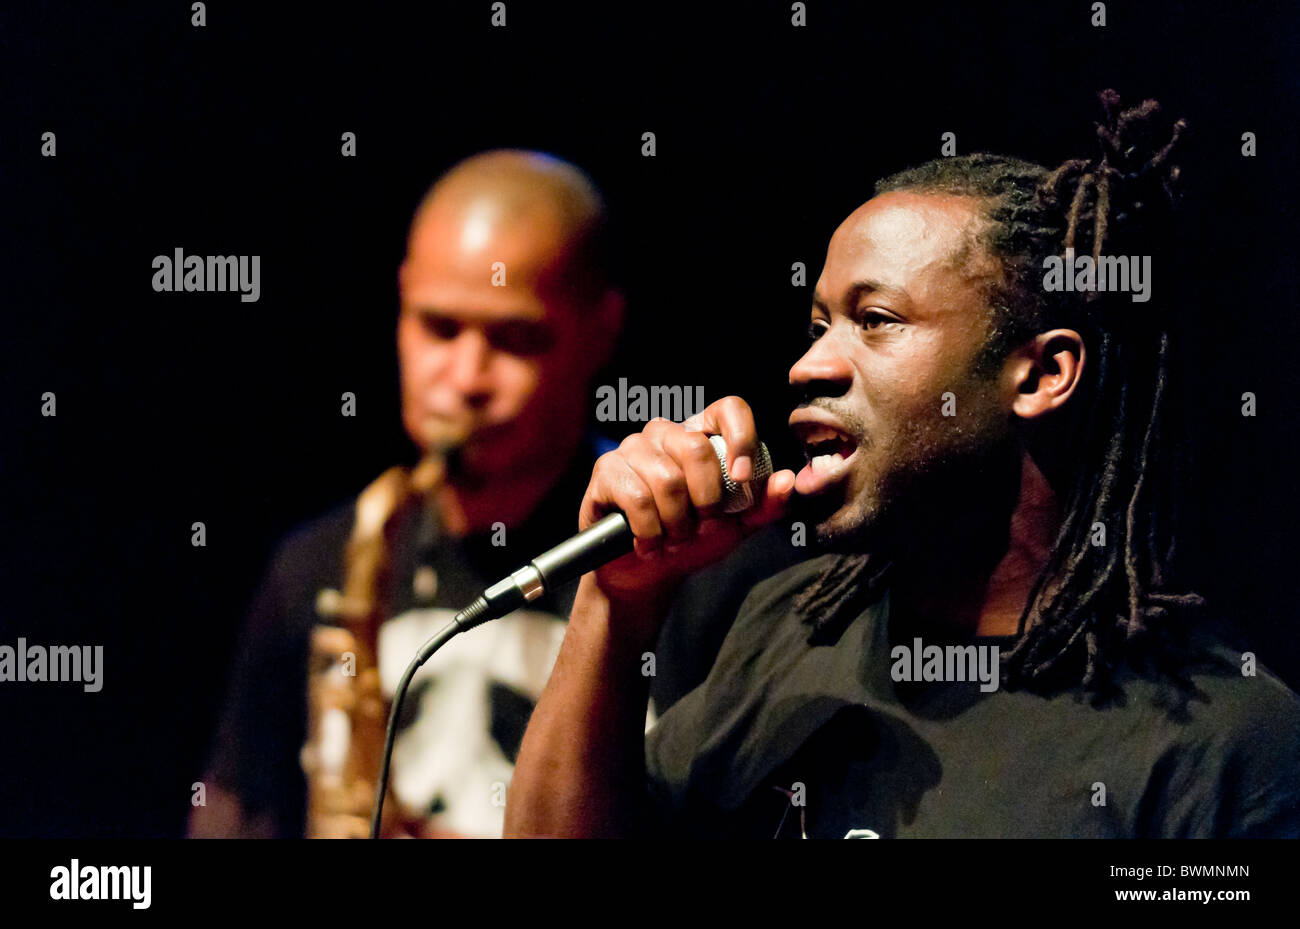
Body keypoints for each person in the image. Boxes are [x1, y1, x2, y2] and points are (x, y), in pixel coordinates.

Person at [505, 92, 1300, 838]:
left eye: (874, 320)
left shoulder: (1225, 742)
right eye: (818, 324)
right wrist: (618, 604)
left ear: (1041, 373)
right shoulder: (789, 631)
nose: (810, 365)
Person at [191, 149, 624, 838]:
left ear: (600, 330)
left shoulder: (681, 559)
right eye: (439, 327)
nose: (466, 377)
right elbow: (231, 816)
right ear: (401, 302)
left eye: (513, 339)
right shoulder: (320, 563)